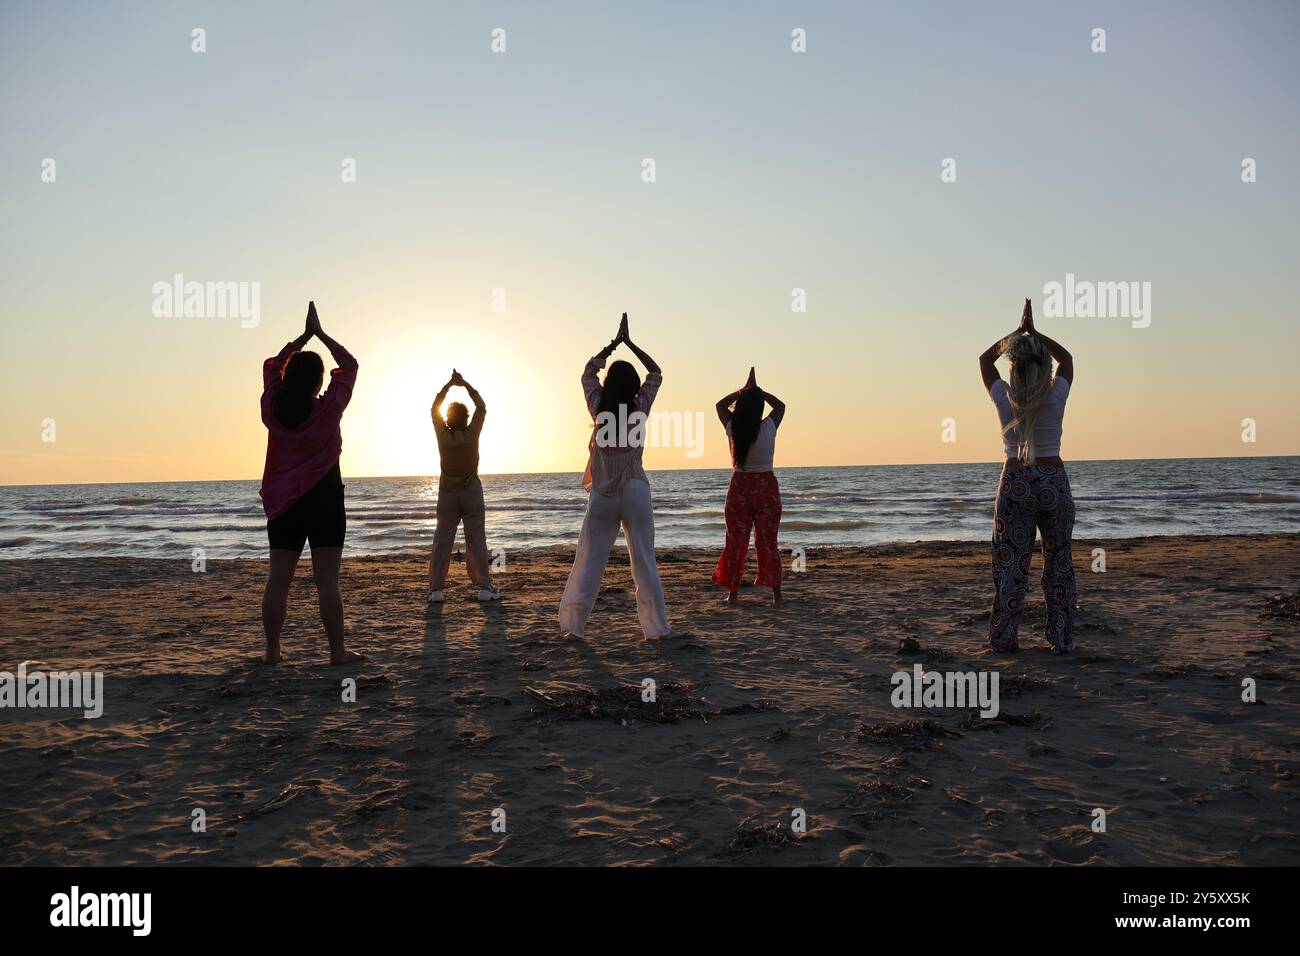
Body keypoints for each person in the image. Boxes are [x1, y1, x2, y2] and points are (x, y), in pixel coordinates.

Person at [259, 301, 363, 665]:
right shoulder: (328, 408)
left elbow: (271, 366)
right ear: (320, 382)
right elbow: (350, 366)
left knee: (279, 581)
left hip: (284, 503)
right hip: (324, 500)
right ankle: (337, 653)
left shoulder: (272, 405)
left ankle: (272, 651)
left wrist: (301, 340)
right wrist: (322, 335)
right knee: (327, 581)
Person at [558, 313, 671, 640]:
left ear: (609, 384)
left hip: (603, 495)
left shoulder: (598, 407)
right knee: (644, 563)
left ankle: (574, 628)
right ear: (633, 386)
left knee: (589, 561)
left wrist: (612, 344)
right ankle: (657, 630)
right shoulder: (639, 408)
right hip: (635, 490)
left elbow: (588, 372)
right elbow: (656, 372)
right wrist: (630, 343)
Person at [978, 297, 1077, 653]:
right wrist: (1035, 333)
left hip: (1016, 484)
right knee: (1059, 561)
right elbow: (1068, 360)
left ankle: (1004, 638)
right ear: (1045, 367)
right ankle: (1061, 639)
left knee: (1011, 565)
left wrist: (1016, 334)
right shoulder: (1056, 395)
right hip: (1053, 482)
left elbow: (984, 360)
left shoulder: (1006, 398)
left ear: (1013, 368)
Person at [712, 367, 787, 605]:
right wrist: (758, 392)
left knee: (735, 542)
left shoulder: (734, 427)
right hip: (766, 487)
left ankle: (733, 594)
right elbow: (781, 406)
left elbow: (720, 406)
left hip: (740, 488)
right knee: (768, 543)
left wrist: (743, 391)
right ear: (760, 406)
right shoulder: (768, 426)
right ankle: (777, 595)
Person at [428, 369, 500, 602]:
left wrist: (449, 384)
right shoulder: (472, 434)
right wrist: (464, 384)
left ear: (448, 419)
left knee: (442, 541)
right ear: (466, 419)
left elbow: (433, 408)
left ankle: (436, 590)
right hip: (471, 492)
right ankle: (484, 587)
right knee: (476, 540)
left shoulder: (442, 435)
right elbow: (482, 406)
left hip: (447, 494)